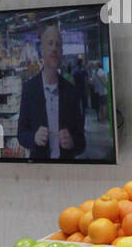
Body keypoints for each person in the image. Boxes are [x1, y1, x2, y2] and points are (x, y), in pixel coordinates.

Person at [16, 22, 86, 160]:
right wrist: (34, 138)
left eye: (58, 44)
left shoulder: (72, 92)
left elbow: (82, 142)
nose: (54, 48)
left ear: (62, 52)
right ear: (42, 50)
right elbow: (21, 134)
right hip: (40, 170)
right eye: (50, 43)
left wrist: (72, 142)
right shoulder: (29, 89)